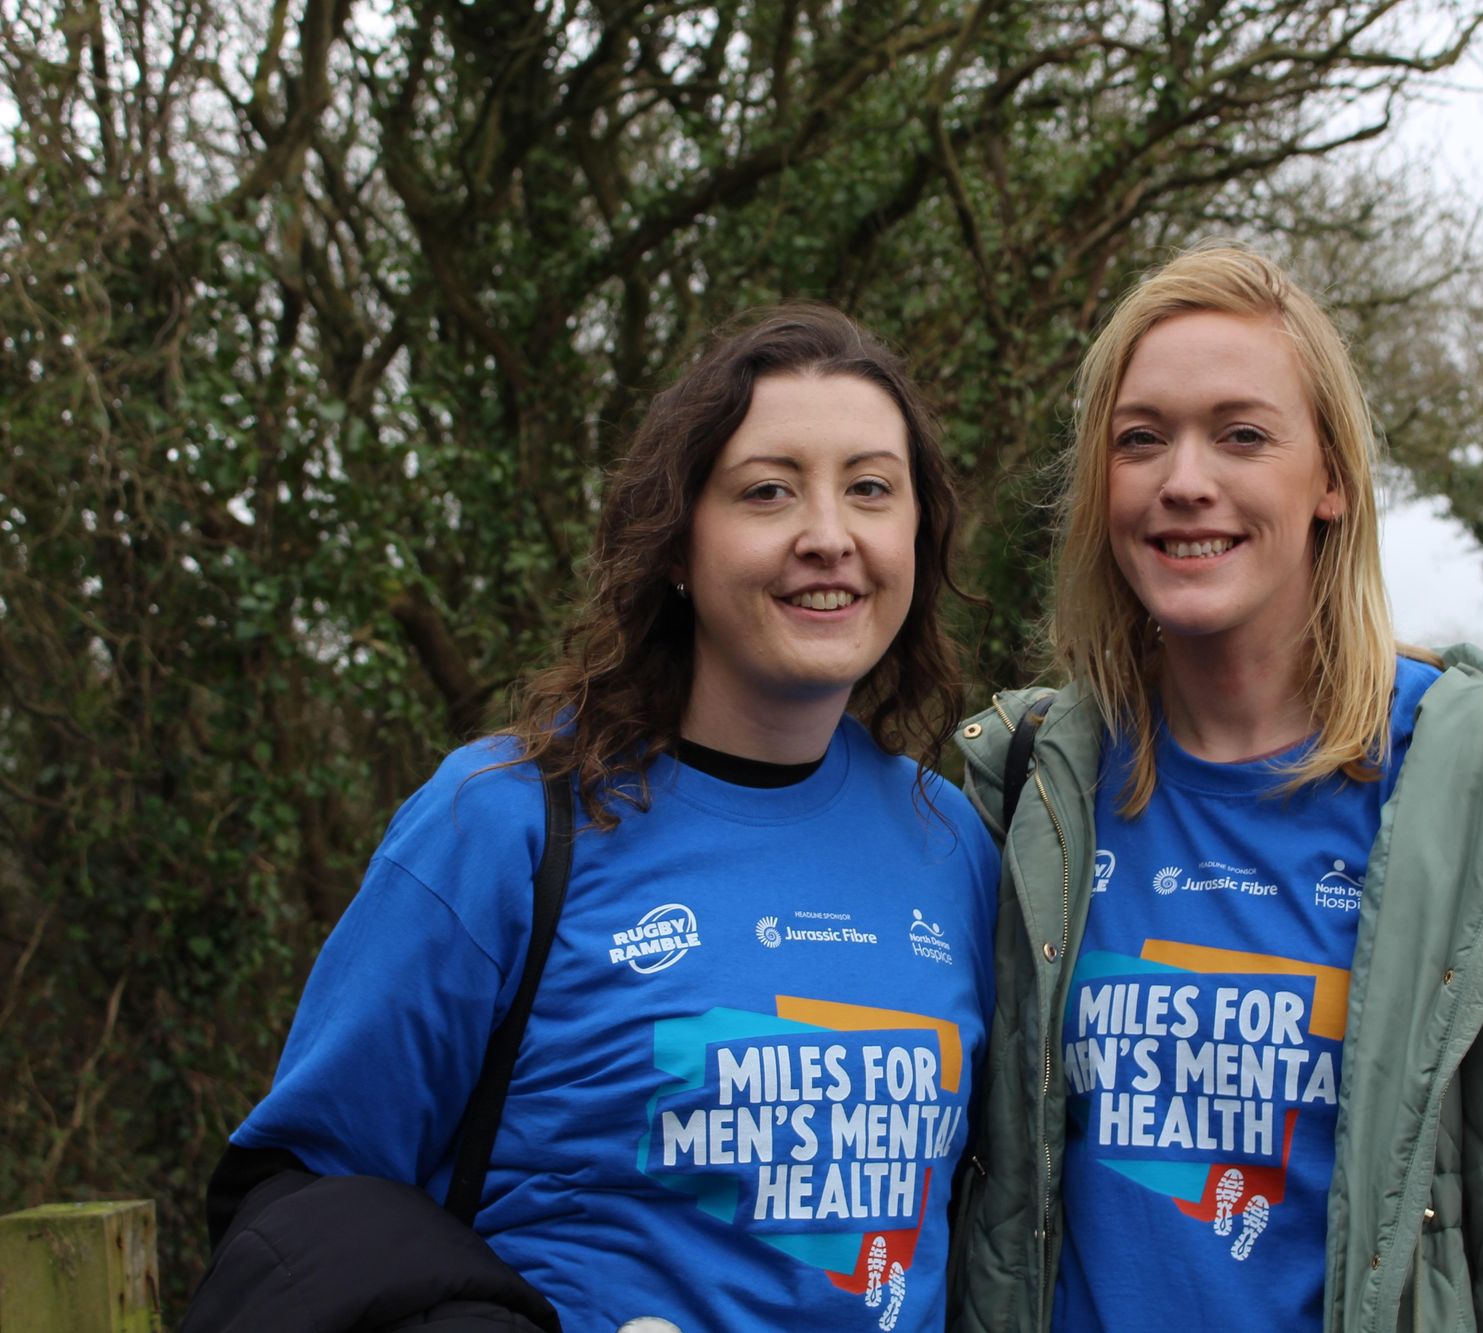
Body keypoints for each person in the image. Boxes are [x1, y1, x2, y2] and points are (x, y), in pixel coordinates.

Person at [189, 307, 998, 1333]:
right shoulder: (498, 826)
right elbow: (291, 1209)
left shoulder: (953, 848)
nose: (827, 536)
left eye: (871, 490)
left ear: (915, 537)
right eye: (767, 491)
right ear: (675, 544)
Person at [949, 247, 1483, 1332]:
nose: (1184, 478)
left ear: (1328, 479)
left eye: (1241, 434)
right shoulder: (1028, 784)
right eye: (1140, 438)